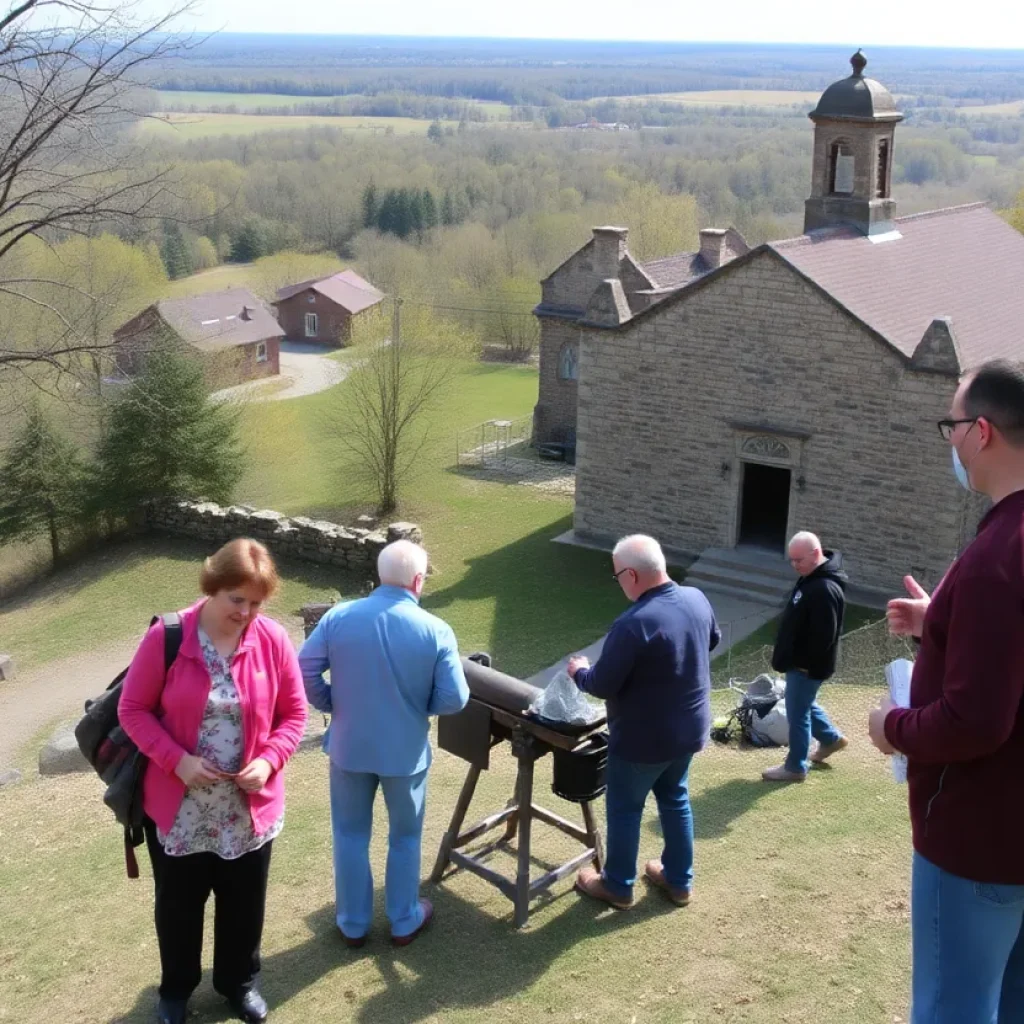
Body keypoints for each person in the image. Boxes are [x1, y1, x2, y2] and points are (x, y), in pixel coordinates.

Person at [868, 359, 1024, 1024]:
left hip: (974, 841)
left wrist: (891, 728)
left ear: (982, 432)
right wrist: (944, 623)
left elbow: (975, 722)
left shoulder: (997, 556)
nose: (950, 441)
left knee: (952, 1010)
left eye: (951, 425)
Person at [119, 539, 307, 1024]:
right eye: (236, 599)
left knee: (244, 906)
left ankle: (238, 983)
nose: (246, 612)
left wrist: (268, 761)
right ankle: (176, 992)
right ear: (212, 587)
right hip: (180, 812)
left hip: (248, 810)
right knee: (179, 907)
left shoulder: (272, 639)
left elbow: (294, 715)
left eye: (257, 602)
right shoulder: (168, 636)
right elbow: (132, 710)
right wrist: (176, 761)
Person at [298, 540, 469, 948]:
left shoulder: (339, 616)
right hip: (405, 753)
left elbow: (304, 666)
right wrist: (418, 709)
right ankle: (404, 919)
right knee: (405, 837)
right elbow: (456, 698)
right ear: (418, 579)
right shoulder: (435, 629)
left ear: (379, 574)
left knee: (349, 834)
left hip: (348, 747)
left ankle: (353, 924)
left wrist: (332, 703)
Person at [566, 534, 720, 910]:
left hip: (642, 741)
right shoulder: (696, 598)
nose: (618, 582)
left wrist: (578, 672)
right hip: (689, 730)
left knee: (624, 807)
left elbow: (601, 684)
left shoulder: (632, 623)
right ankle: (679, 881)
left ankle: (618, 885)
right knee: (675, 797)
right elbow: (710, 639)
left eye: (617, 575)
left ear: (631, 575)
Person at [761, 531, 848, 782]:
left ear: (815, 554)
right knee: (802, 702)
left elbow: (825, 636)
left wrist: (805, 665)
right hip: (800, 663)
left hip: (806, 666)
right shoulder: (811, 578)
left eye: (798, 560)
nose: (794, 565)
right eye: (791, 560)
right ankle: (831, 739)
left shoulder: (824, 588)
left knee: (797, 713)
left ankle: (796, 767)